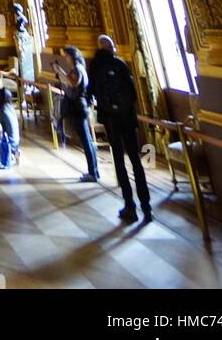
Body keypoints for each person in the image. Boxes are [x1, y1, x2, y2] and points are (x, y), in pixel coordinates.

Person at [89, 35, 153, 224]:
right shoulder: (121, 65)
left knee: (119, 162)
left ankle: (129, 206)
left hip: (111, 122)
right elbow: (133, 93)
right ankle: (147, 207)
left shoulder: (96, 67)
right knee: (136, 162)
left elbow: (92, 91)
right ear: (112, 48)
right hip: (127, 119)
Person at [54, 45, 99, 182]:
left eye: (66, 56)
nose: (65, 58)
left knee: (86, 141)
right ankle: (93, 171)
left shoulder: (77, 69)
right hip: (79, 106)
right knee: (87, 141)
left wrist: (59, 71)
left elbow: (73, 83)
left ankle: (93, 172)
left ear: (72, 56)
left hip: (79, 107)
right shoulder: (77, 69)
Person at [0, 86, 21, 165]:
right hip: (16, 142)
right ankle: (15, 152)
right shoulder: (11, 108)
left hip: (9, 143)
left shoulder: (1, 110)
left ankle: (8, 155)